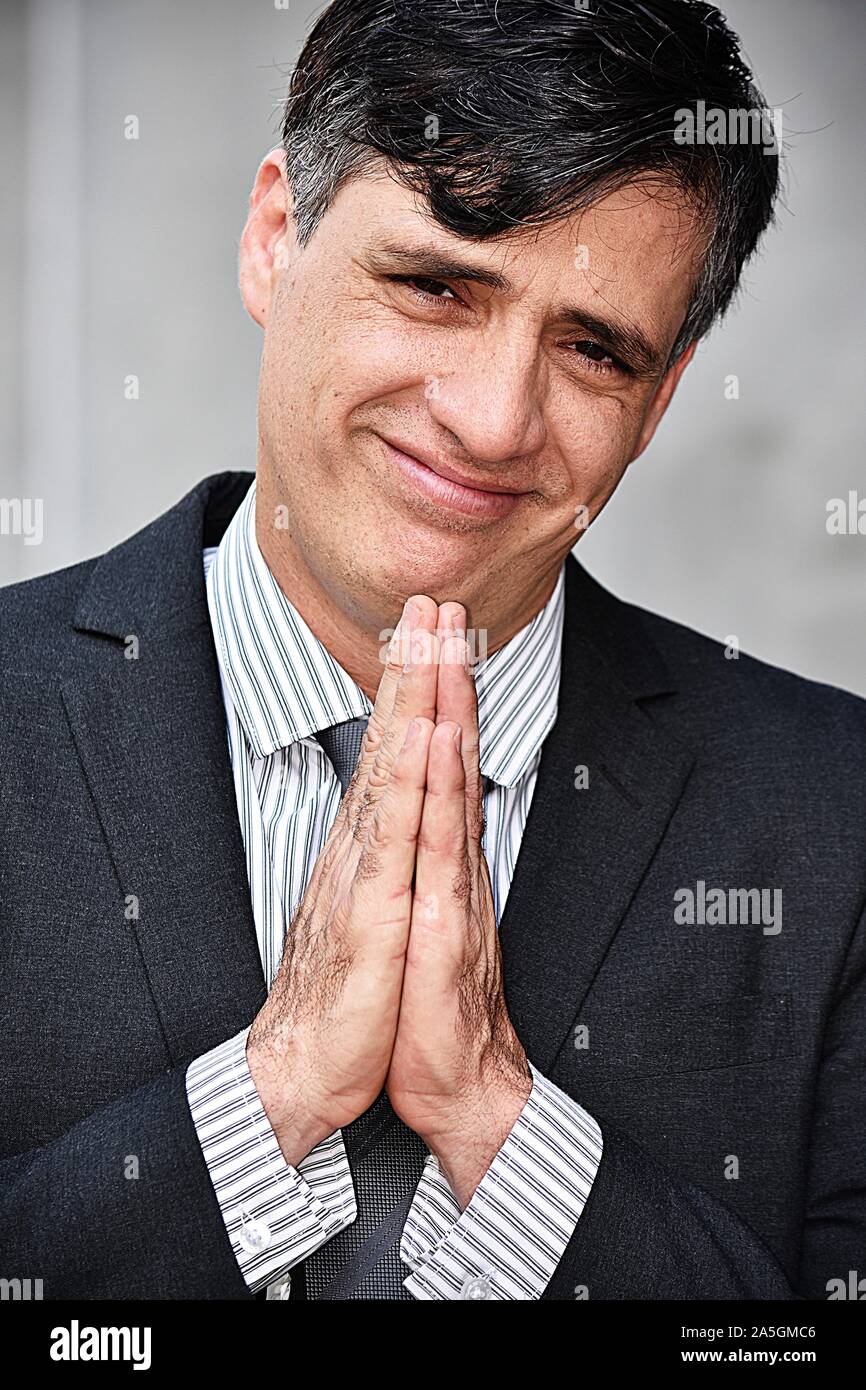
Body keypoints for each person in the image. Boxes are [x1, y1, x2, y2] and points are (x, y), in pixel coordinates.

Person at [1, 0, 864, 1301]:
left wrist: (502, 1126)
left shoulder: (836, 817)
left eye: (590, 349)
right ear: (273, 237)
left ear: (662, 398)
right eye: (436, 286)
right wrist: (268, 1095)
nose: (491, 420)